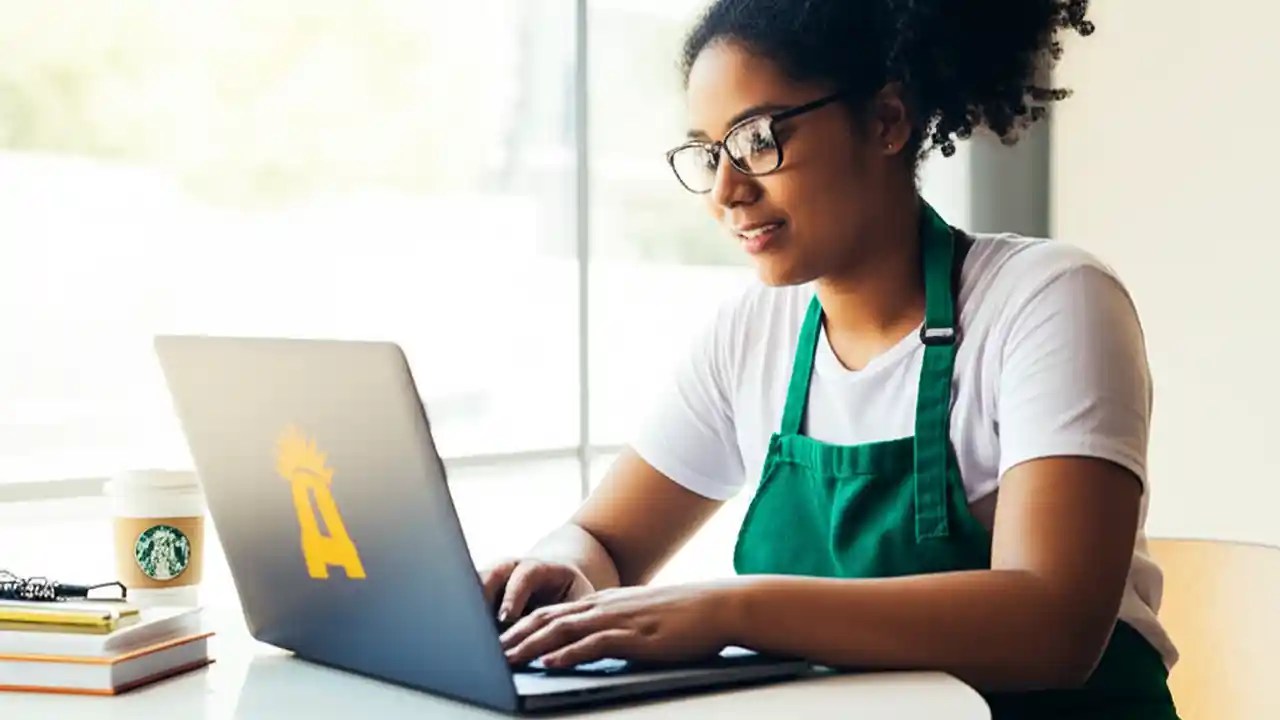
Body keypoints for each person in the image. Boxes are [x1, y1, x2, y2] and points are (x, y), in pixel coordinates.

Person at [482, 1, 1180, 717]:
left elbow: (1053, 625)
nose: (726, 192)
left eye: (758, 140)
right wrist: (559, 568)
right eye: (710, 153)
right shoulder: (753, 333)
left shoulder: (1048, 299)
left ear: (885, 121)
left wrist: (731, 609)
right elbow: (602, 541)